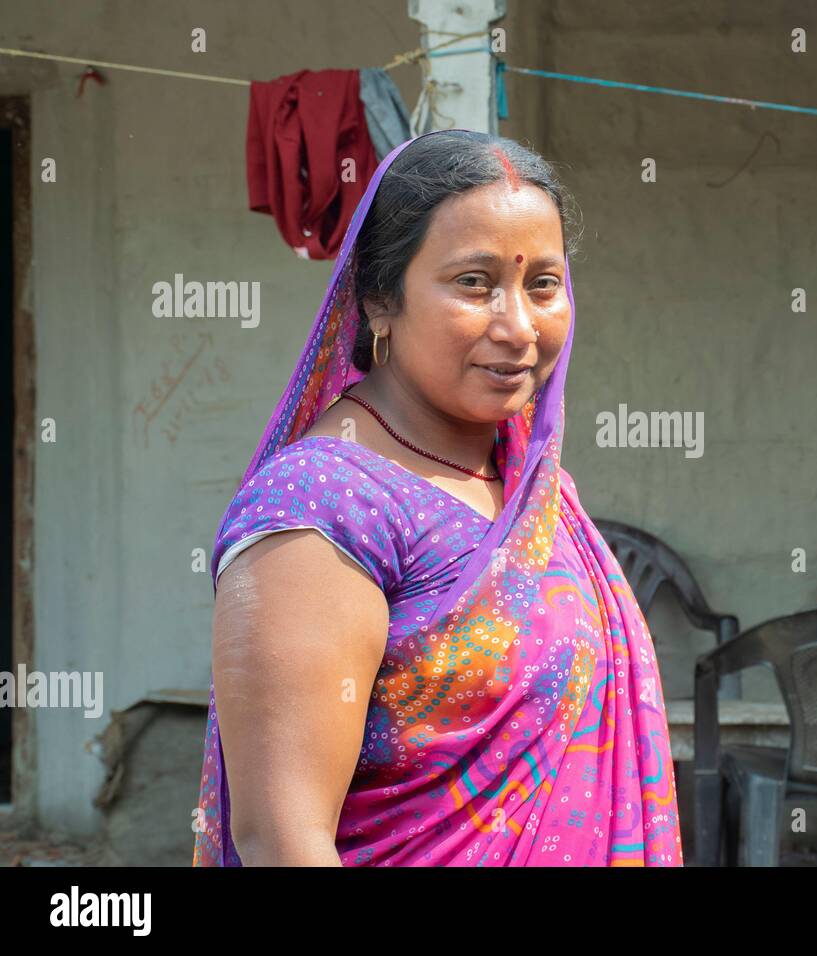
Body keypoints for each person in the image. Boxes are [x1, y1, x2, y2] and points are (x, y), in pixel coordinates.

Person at [192, 129, 683, 866]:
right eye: (475, 283)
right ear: (380, 301)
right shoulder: (324, 506)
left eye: (542, 284)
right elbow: (282, 839)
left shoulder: (528, 483)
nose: (518, 327)